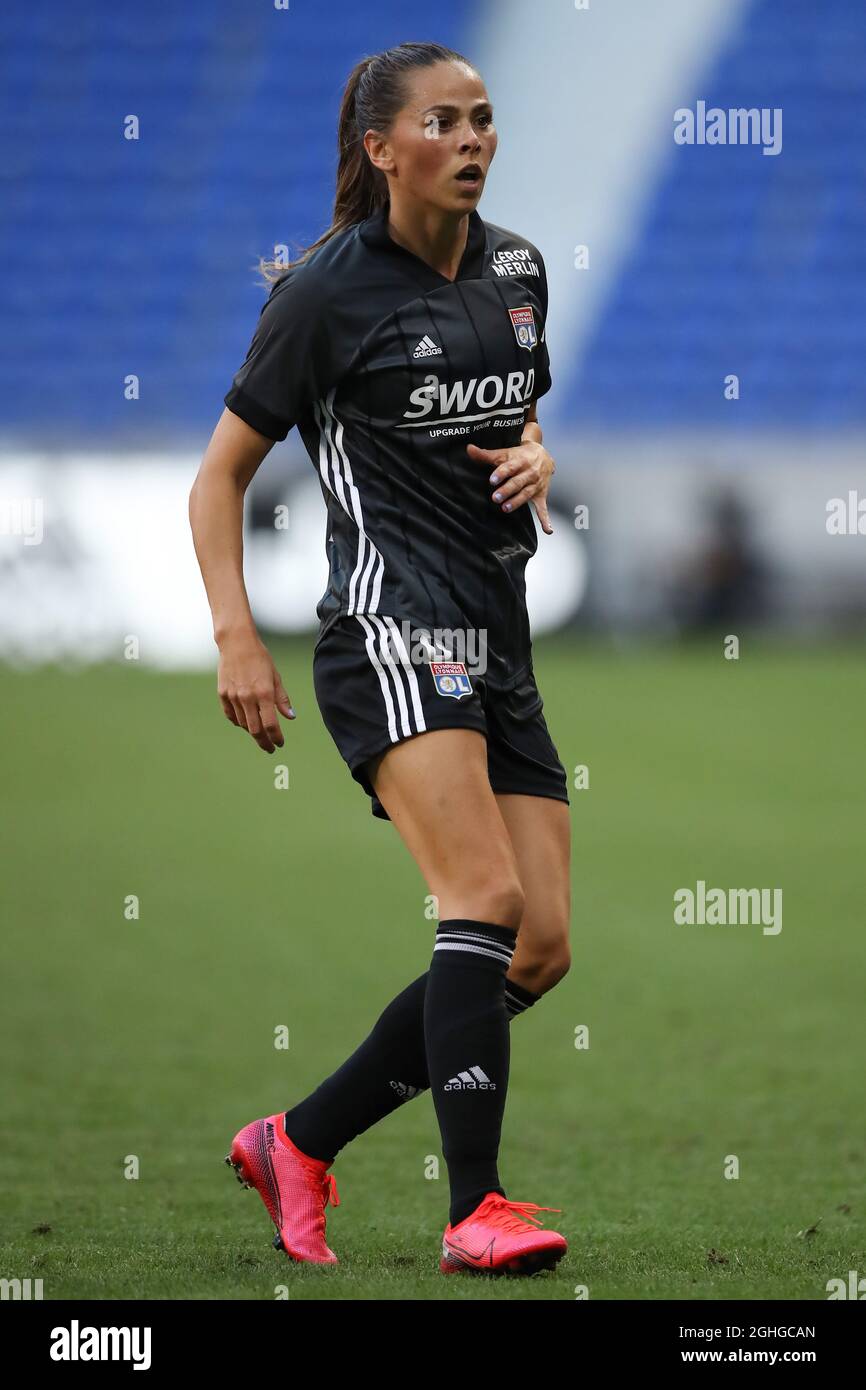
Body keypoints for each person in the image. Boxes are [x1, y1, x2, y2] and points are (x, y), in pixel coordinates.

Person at [189, 41, 571, 1277]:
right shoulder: (319, 292)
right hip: (387, 625)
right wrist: (234, 634)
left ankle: (297, 1140)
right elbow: (219, 480)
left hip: (493, 634)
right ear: (380, 148)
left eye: (483, 119)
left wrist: (534, 454)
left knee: (539, 946)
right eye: (444, 123)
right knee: (485, 900)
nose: (472, 140)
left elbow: (513, 405)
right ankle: (477, 1208)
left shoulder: (516, 267)